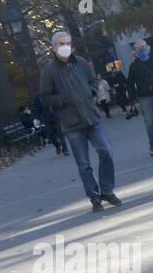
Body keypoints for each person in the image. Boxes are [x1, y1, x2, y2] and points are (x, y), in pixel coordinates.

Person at [38, 30, 122, 212]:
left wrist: (91, 91)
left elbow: (93, 81)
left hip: (91, 116)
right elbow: (44, 97)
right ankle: (94, 197)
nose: (65, 47)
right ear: (53, 47)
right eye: (61, 44)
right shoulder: (49, 71)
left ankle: (107, 190)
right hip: (72, 122)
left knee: (106, 151)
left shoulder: (81, 63)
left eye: (68, 43)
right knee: (84, 164)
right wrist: (63, 100)